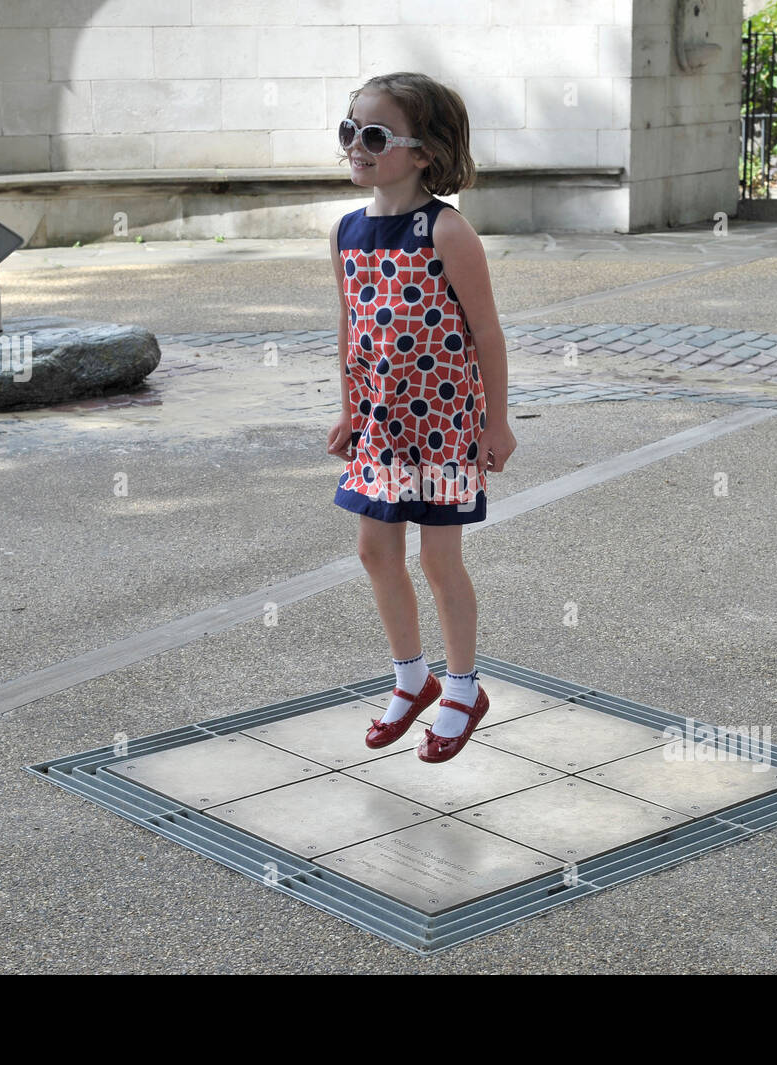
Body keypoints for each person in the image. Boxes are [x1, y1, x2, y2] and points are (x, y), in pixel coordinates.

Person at [325, 72, 516, 765]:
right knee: (375, 551)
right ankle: (414, 677)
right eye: (349, 132)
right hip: (379, 424)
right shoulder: (348, 229)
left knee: (439, 559)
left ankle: (464, 687)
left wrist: (496, 424)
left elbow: (487, 333)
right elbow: (349, 327)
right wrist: (348, 408)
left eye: (374, 136)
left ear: (425, 151)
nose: (356, 147)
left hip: (442, 423)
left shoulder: (447, 229)